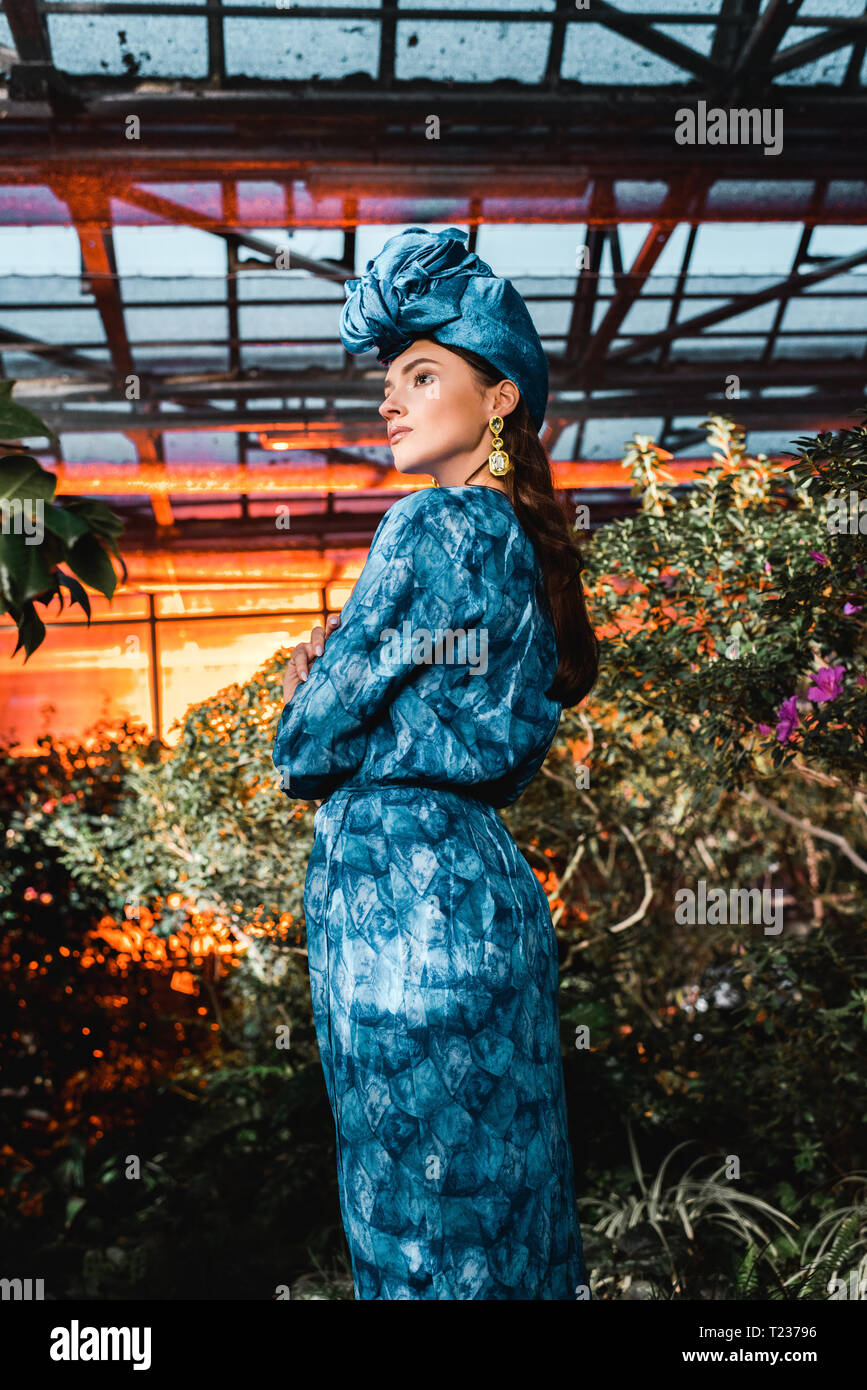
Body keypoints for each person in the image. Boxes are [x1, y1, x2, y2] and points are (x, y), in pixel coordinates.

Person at [273, 227, 599, 1300]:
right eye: (390, 380)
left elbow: (307, 740)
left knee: (421, 1225)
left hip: (402, 900)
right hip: (478, 882)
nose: (392, 400)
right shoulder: (516, 537)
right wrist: (350, 683)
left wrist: (311, 684)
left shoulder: (433, 525)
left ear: (499, 397)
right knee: (503, 1201)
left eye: (423, 374)